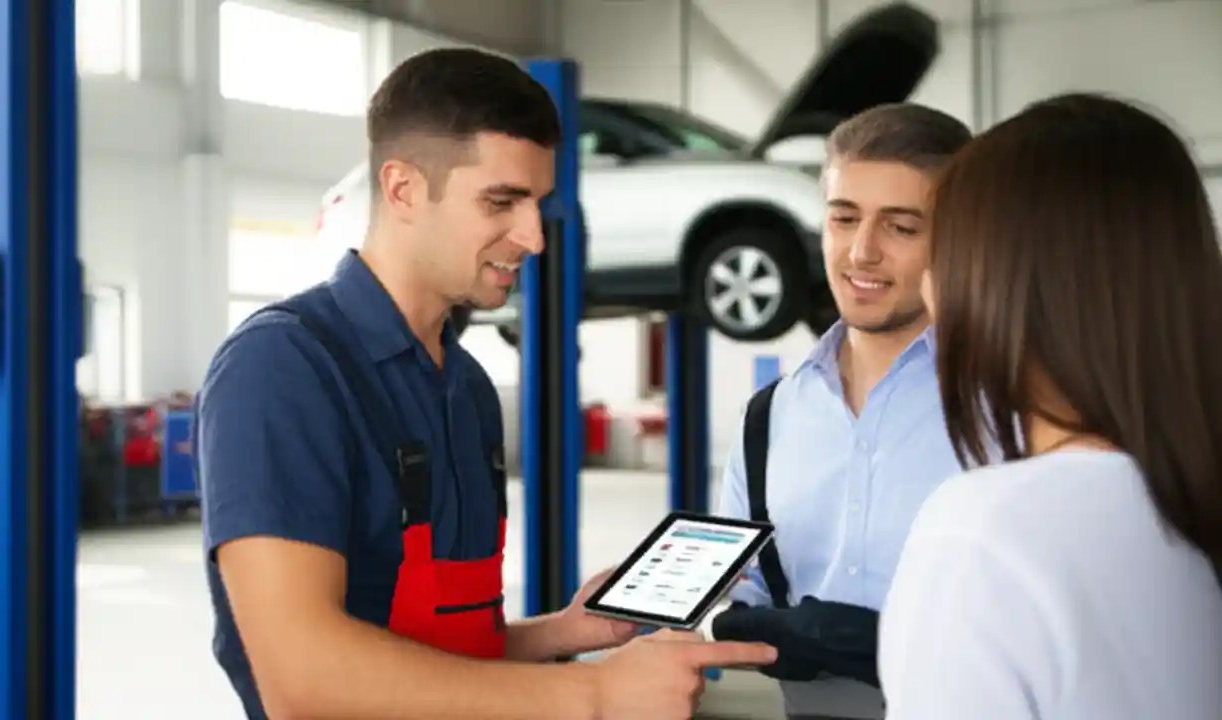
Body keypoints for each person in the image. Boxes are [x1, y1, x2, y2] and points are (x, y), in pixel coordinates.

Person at [194, 47, 775, 720]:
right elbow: (301, 679)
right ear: (404, 188)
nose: (533, 237)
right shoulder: (283, 368)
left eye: (538, 204)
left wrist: (563, 631)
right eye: (502, 201)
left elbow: (442, 649)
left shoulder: (464, 386)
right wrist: (595, 694)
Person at [878, 93, 1222, 718]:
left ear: (1000, 286)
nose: (930, 287)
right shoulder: (1188, 499)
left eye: (937, 253)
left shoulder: (983, 534)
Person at [707, 103, 973, 719]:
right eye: (843, 219)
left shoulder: (1008, 411)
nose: (861, 252)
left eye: (901, 228)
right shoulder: (767, 420)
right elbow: (738, 593)